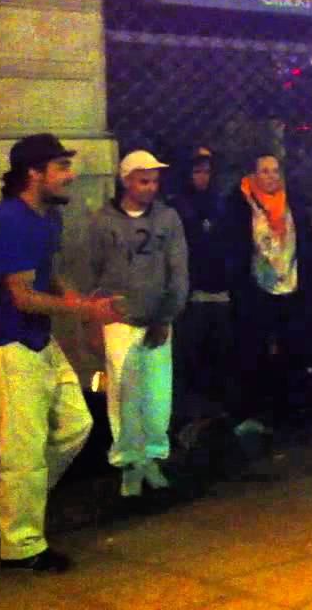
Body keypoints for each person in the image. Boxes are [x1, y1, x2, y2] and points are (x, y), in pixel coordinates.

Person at [0, 133, 121, 572]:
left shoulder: (45, 217)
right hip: (8, 342)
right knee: (24, 450)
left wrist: (80, 304)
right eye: (60, 167)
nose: (70, 175)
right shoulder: (9, 221)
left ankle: (4, 500)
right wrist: (83, 309)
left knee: (76, 425)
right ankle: (21, 547)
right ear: (33, 174)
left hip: (34, 338)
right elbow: (20, 296)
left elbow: (48, 275)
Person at [89, 150, 188, 497]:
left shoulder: (168, 219)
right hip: (119, 317)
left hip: (156, 316)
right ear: (126, 180)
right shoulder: (103, 221)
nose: (150, 188)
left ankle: (152, 456)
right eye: (143, 180)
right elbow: (93, 270)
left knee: (157, 391)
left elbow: (178, 271)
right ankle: (129, 460)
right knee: (122, 391)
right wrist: (95, 317)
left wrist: (166, 315)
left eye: (155, 181)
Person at [226, 152, 312, 438]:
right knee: (253, 351)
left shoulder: (293, 203)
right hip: (255, 290)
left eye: (275, 170)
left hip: (290, 286)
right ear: (253, 175)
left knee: (292, 351)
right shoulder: (239, 205)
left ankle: (289, 412)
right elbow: (232, 248)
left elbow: (306, 241)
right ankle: (251, 411)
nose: (271, 176)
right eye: (264, 171)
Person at [170, 147, 234, 421]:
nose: (203, 178)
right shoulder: (179, 206)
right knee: (190, 355)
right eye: (197, 171)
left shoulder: (219, 203)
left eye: (207, 171)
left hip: (219, 288)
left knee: (218, 355)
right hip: (192, 291)